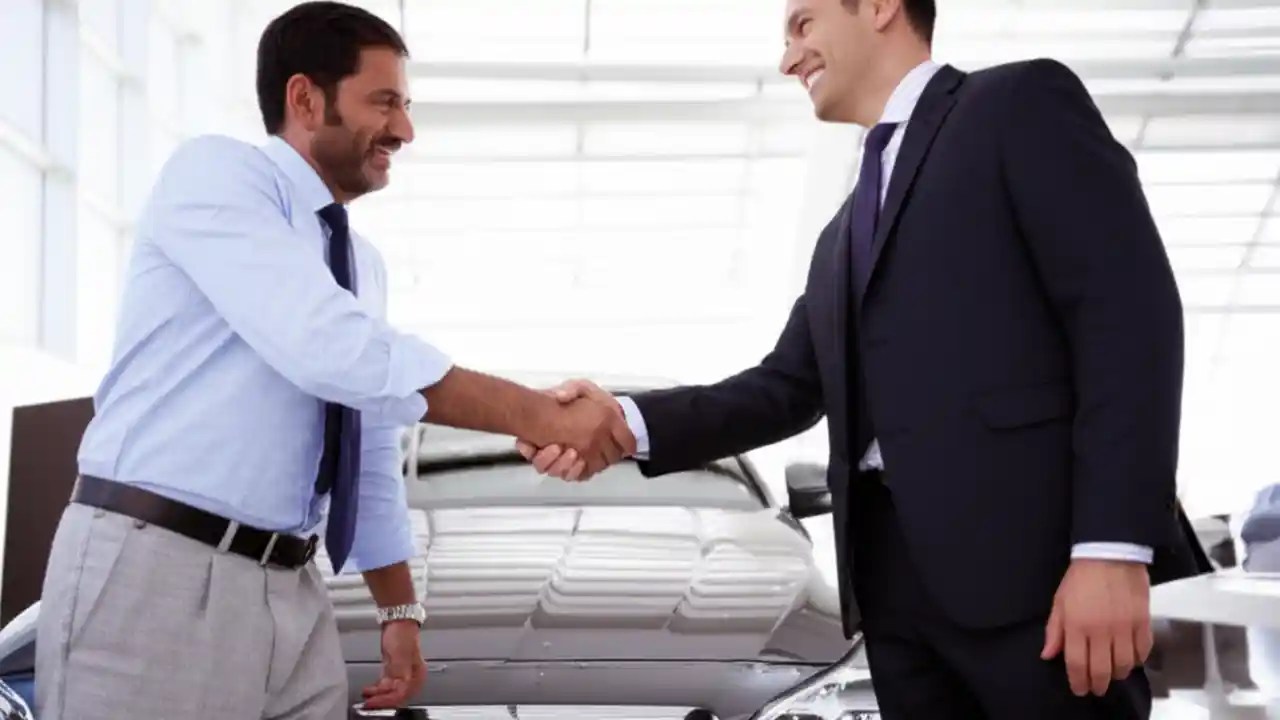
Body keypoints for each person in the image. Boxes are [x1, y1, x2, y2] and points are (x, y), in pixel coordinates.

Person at [518, 0, 1204, 717]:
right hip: (893, 597)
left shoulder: (1017, 105)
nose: (788, 60)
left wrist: (1111, 549)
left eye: (802, 24)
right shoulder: (844, 233)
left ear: (878, 6)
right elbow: (783, 388)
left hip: (1033, 583)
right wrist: (624, 421)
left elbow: (1127, 317)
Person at [34, 3, 632, 719]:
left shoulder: (360, 266)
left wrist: (398, 610)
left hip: (290, 585)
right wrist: (537, 413)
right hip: (159, 569)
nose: (406, 130)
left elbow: (369, 446)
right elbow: (326, 348)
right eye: (384, 102)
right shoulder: (217, 176)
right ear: (305, 98)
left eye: (406, 106)